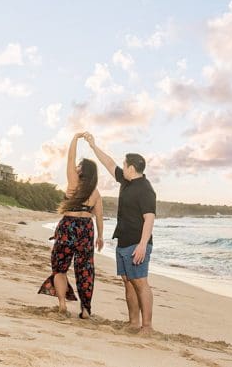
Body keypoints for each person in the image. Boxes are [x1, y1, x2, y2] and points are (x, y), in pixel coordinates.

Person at [84, 132, 156, 335]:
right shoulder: (126, 181)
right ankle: (133, 323)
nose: (121, 167)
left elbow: (149, 218)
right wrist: (93, 146)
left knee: (140, 282)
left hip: (137, 243)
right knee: (128, 281)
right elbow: (108, 163)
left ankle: (147, 326)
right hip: (123, 241)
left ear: (131, 168)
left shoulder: (145, 189)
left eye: (124, 165)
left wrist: (143, 245)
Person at [38, 132, 104, 319]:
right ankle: (85, 310)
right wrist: (100, 236)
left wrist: (74, 138)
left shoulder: (73, 182)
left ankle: (62, 304)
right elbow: (99, 216)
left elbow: (70, 158)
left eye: (79, 166)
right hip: (86, 229)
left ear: (82, 171)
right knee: (85, 270)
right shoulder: (96, 193)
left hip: (68, 227)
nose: (75, 167)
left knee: (59, 267)